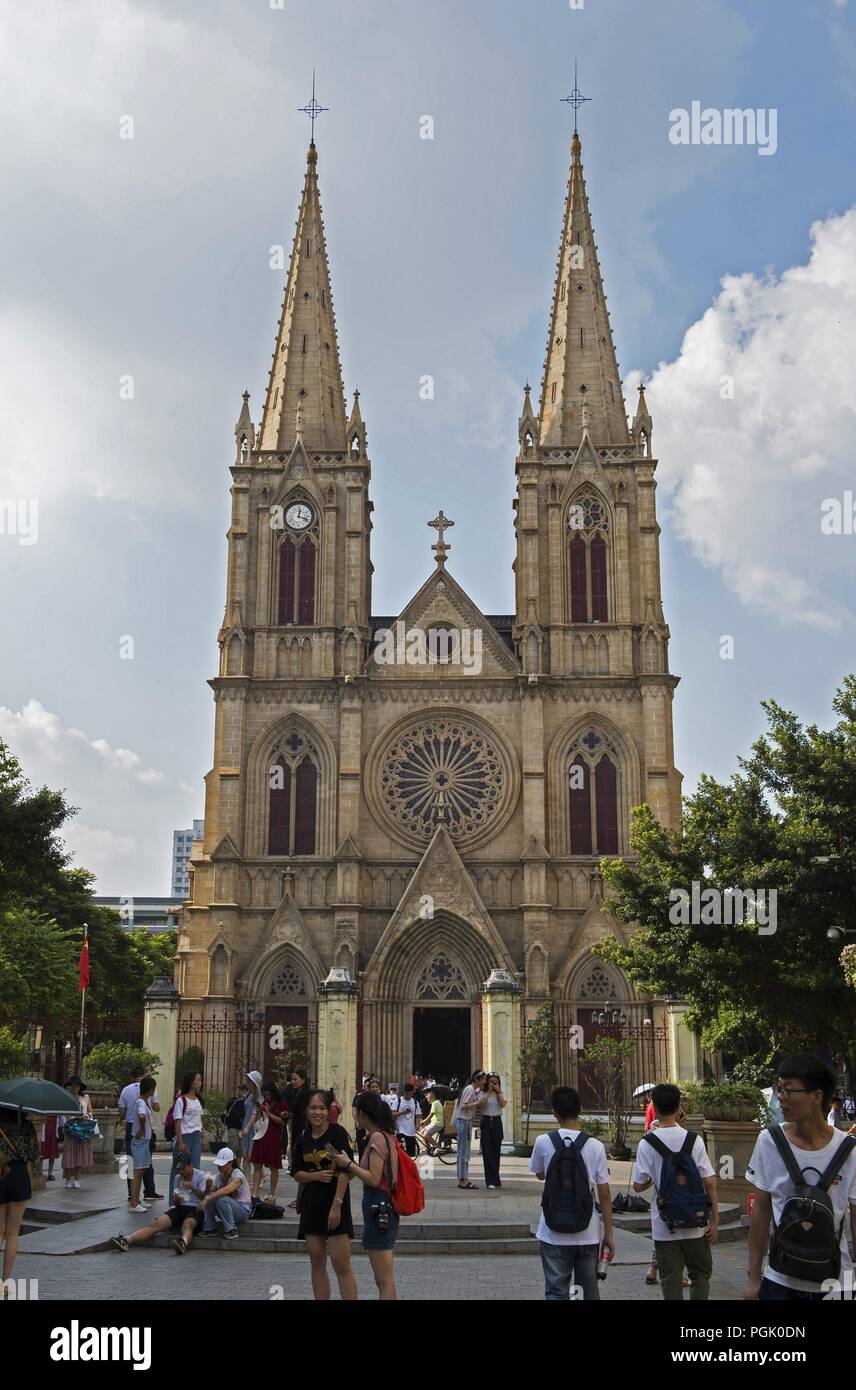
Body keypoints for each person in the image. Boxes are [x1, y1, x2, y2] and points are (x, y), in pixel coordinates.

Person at [745, 1054, 856, 1302]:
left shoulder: (849, 1150)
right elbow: (761, 1210)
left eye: (789, 1090)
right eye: (779, 1088)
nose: (781, 1097)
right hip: (780, 1280)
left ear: (816, 1096)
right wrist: (753, 1277)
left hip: (835, 1282)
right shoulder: (769, 1141)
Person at [633, 1082, 718, 1301]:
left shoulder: (647, 1143)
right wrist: (715, 1220)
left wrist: (655, 1177)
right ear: (679, 1106)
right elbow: (709, 1182)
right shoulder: (694, 1140)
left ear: (654, 1108)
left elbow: (638, 1185)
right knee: (700, 1277)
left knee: (671, 1282)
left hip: (664, 1226)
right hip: (697, 1225)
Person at [529, 1086, 615, 1302]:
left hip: (552, 1232)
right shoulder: (595, 1146)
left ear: (554, 1113)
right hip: (588, 1232)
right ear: (580, 1109)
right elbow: (605, 1195)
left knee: (556, 1292)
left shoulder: (543, 1141)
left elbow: (540, 1174)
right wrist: (609, 1234)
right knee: (587, 1292)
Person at [332, 1091, 398, 1301]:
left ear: (361, 1113)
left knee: (384, 1281)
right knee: (384, 1280)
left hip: (379, 1205)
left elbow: (374, 1179)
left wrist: (348, 1163)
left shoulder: (377, 1137)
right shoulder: (382, 1135)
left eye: (354, 1112)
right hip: (380, 1205)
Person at [291, 1088, 357, 1301]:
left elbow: (346, 1171)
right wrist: (316, 1176)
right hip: (311, 1205)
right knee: (317, 1263)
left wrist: (337, 1205)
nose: (317, 1112)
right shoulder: (302, 1137)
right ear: (306, 1110)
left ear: (329, 1110)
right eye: (313, 1108)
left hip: (336, 1203)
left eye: (321, 1108)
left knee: (341, 1264)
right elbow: (297, 1172)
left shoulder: (337, 1134)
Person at [110, 1152, 212, 1256]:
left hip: (195, 1208)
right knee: (156, 1225)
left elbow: (203, 1197)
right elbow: (175, 1201)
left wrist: (192, 1188)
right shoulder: (178, 1178)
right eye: (179, 1169)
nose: (181, 1172)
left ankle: (183, 1243)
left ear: (190, 1165)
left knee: (187, 1225)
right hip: (180, 1207)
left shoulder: (200, 1175)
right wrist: (176, 1199)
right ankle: (126, 1240)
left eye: (183, 1168)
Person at [0, 1107, 40, 1295]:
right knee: (13, 1233)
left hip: (0, 1173)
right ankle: (5, 1282)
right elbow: (34, 1154)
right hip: (19, 1175)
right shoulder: (26, 1126)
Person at [118, 1064, 162, 1202]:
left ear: (132, 1077)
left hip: (131, 1125)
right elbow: (157, 1108)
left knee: (131, 1161)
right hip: (144, 1128)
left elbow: (122, 1112)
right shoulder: (149, 1089)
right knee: (146, 1161)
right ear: (143, 1075)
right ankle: (149, 1191)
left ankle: (131, 1193)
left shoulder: (126, 1090)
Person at [249, 1080, 289, 1201]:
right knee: (257, 1164)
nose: (266, 1097)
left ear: (273, 1092)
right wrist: (259, 1111)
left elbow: (282, 1122)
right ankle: (255, 1193)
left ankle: (272, 1193)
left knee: (273, 1166)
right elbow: (259, 1118)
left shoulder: (282, 1104)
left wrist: (268, 1113)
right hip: (261, 1134)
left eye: (268, 1094)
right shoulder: (265, 1103)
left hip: (273, 1136)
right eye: (264, 1094)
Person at [200, 1147, 253, 1239]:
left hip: (243, 1211)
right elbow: (212, 1191)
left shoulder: (237, 1175)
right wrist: (208, 1187)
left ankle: (231, 1230)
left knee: (220, 1198)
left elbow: (226, 1190)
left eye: (222, 1164)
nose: (219, 1167)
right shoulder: (219, 1176)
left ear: (230, 1163)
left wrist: (207, 1199)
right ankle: (210, 1228)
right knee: (211, 1197)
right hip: (227, 1209)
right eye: (219, 1164)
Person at [168, 1070, 204, 1204]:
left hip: (196, 1136)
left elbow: (199, 1118)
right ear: (191, 1082)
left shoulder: (198, 1100)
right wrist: (181, 1142)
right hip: (185, 1136)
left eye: (200, 1080)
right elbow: (177, 1121)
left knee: (195, 1169)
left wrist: (202, 1133)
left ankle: (192, 1201)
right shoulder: (181, 1100)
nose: (200, 1082)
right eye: (197, 1080)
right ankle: (173, 1201)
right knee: (178, 1170)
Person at [128, 1076, 158, 1212]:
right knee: (138, 1171)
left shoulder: (143, 1101)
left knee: (141, 1170)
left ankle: (137, 1199)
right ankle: (134, 1202)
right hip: (140, 1141)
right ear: (150, 1089)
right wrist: (142, 1129)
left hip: (144, 1142)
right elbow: (141, 1116)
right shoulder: (141, 1102)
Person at [453, 1069, 485, 1189]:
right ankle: (463, 1179)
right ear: (477, 1079)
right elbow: (463, 1105)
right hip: (464, 1121)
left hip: (466, 1121)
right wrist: (477, 1103)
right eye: (483, 1079)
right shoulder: (470, 1089)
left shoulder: (473, 1090)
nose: (485, 1081)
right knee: (463, 1151)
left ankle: (462, 1178)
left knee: (464, 1151)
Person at [61, 1076, 94, 1190]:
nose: (74, 1087)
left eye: (76, 1085)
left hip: (82, 1128)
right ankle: (68, 1178)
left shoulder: (85, 1097)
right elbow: (63, 1113)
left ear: (80, 1087)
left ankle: (77, 1179)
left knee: (81, 1154)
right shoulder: (67, 1098)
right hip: (71, 1128)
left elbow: (90, 1112)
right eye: (72, 1085)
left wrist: (86, 1116)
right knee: (69, 1154)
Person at [479, 1072, 507, 1189]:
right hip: (486, 1121)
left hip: (496, 1122)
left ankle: (496, 1179)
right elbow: (482, 1106)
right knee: (487, 1152)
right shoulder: (482, 1093)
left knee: (496, 1151)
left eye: (495, 1081)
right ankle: (490, 1181)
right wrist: (488, 1092)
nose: (493, 1083)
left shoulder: (500, 1093)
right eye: (491, 1081)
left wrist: (498, 1091)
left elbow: (503, 1104)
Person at [239, 1070, 262, 1179]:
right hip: (246, 1126)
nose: (246, 1082)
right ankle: (247, 1180)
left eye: (248, 1080)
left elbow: (255, 1113)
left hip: (252, 1128)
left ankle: (260, 1176)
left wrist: (247, 1127)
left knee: (251, 1155)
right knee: (245, 1155)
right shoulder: (249, 1095)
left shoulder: (258, 1097)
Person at [392, 1083, 419, 1158]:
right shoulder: (398, 1101)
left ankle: (407, 1165)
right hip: (400, 1130)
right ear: (403, 1092)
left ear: (413, 1092)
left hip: (411, 1131)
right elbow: (392, 1114)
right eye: (406, 1094)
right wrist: (401, 1112)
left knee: (410, 1155)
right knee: (402, 1153)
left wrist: (417, 1125)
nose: (408, 1096)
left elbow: (417, 1115)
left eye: (410, 1094)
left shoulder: (415, 1102)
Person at [223, 1084, 247, 1157]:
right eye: (240, 1090)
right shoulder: (233, 1101)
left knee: (241, 1150)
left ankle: (237, 1163)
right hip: (233, 1126)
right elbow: (226, 1112)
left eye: (244, 1091)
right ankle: (230, 1161)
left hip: (242, 1128)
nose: (241, 1092)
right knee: (233, 1146)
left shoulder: (246, 1101)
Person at [419, 1089, 445, 1154]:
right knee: (422, 1132)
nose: (427, 1100)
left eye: (428, 1098)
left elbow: (431, 1115)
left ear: (432, 1097)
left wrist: (424, 1121)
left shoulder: (435, 1103)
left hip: (437, 1124)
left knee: (426, 1135)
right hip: (434, 1123)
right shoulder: (437, 1102)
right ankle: (428, 1148)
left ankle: (439, 1147)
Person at [41, 1114, 59, 1183]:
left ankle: (50, 1174)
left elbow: (62, 1119)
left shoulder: (55, 1112)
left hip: (53, 1133)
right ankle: (40, 1172)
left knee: (52, 1154)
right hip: (44, 1133)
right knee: (41, 1154)